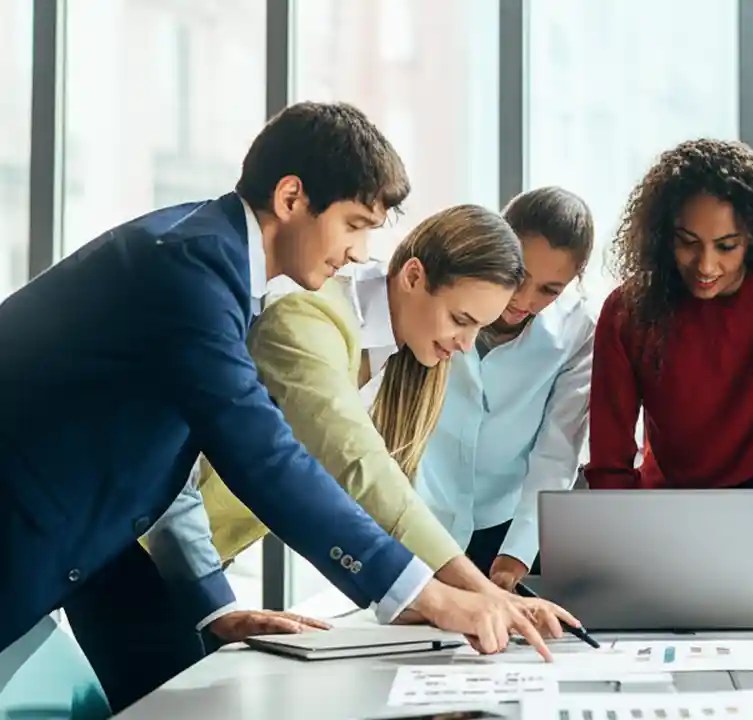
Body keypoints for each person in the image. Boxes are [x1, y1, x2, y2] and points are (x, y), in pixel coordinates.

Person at [0, 101, 561, 713]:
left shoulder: (212, 265)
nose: (359, 252)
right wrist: (423, 594)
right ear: (291, 197)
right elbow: (264, 457)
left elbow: (168, 459)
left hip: (71, 544)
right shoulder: (192, 271)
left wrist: (215, 606)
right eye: (353, 225)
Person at [145, 203, 575, 665]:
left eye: (479, 329)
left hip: (193, 566)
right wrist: (482, 593)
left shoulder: (401, 360)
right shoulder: (310, 315)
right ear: (413, 276)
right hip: (141, 550)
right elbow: (360, 468)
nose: (466, 345)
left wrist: (483, 598)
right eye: (460, 320)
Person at [585, 139, 753, 600]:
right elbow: (609, 455)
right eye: (687, 243)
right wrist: (615, 554)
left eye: (726, 246)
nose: (705, 265)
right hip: (667, 510)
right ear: (664, 235)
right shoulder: (628, 309)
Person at [416, 187, 596, 591]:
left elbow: (557, 451)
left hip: (505, 525)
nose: (524, 300)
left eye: (550, 290)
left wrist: (518, 554)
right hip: (420, 516)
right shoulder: (442, 298)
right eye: (519, 276)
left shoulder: (576, 332)